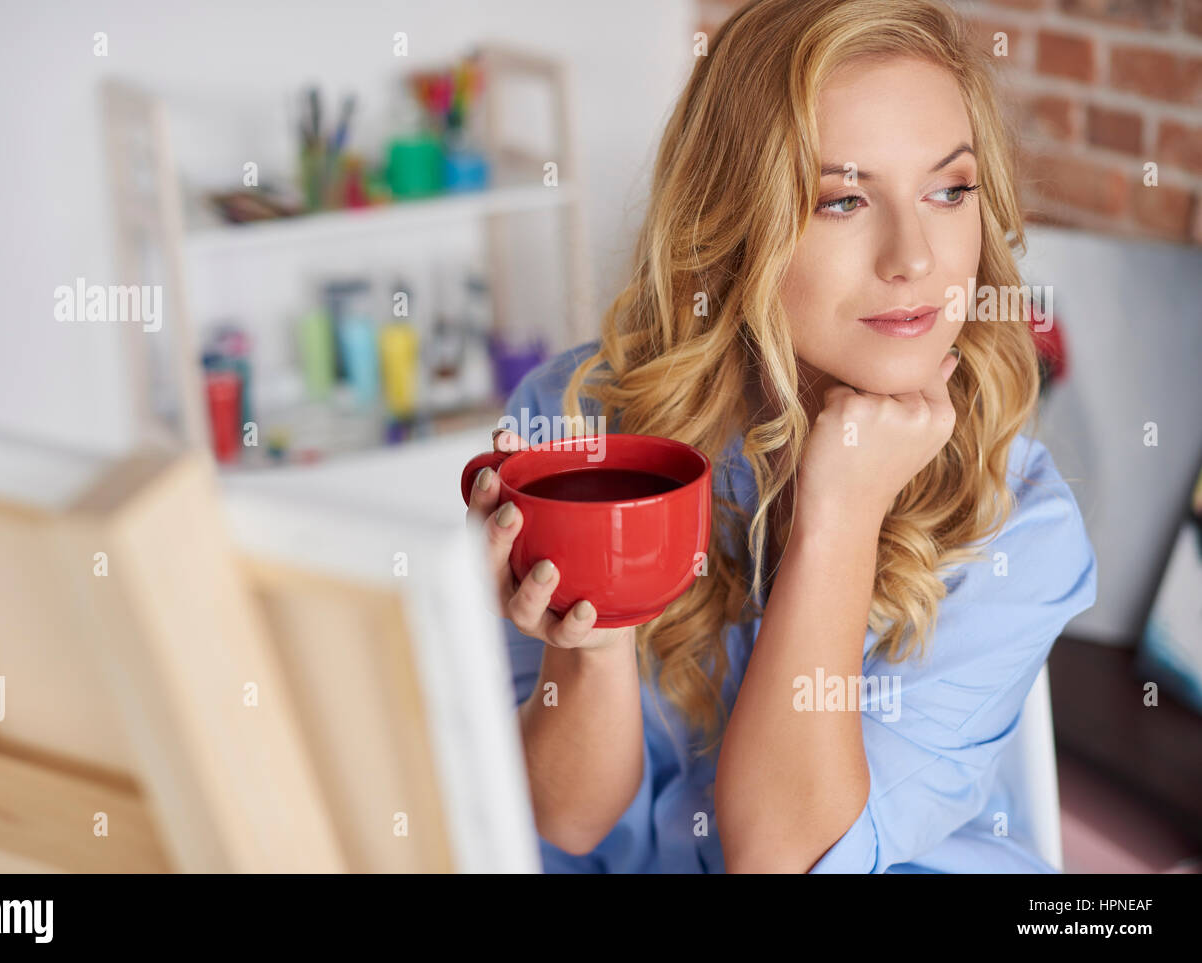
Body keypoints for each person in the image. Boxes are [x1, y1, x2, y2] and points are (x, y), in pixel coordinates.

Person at [463, 0, 1096, 873]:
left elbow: (782, 860)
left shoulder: (1022, 524)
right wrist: (593, 642)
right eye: (842, 199)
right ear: (734, 221)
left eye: (949, 189)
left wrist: (838, 513)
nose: (913, 256)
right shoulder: (576, 425)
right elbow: (566, 823)